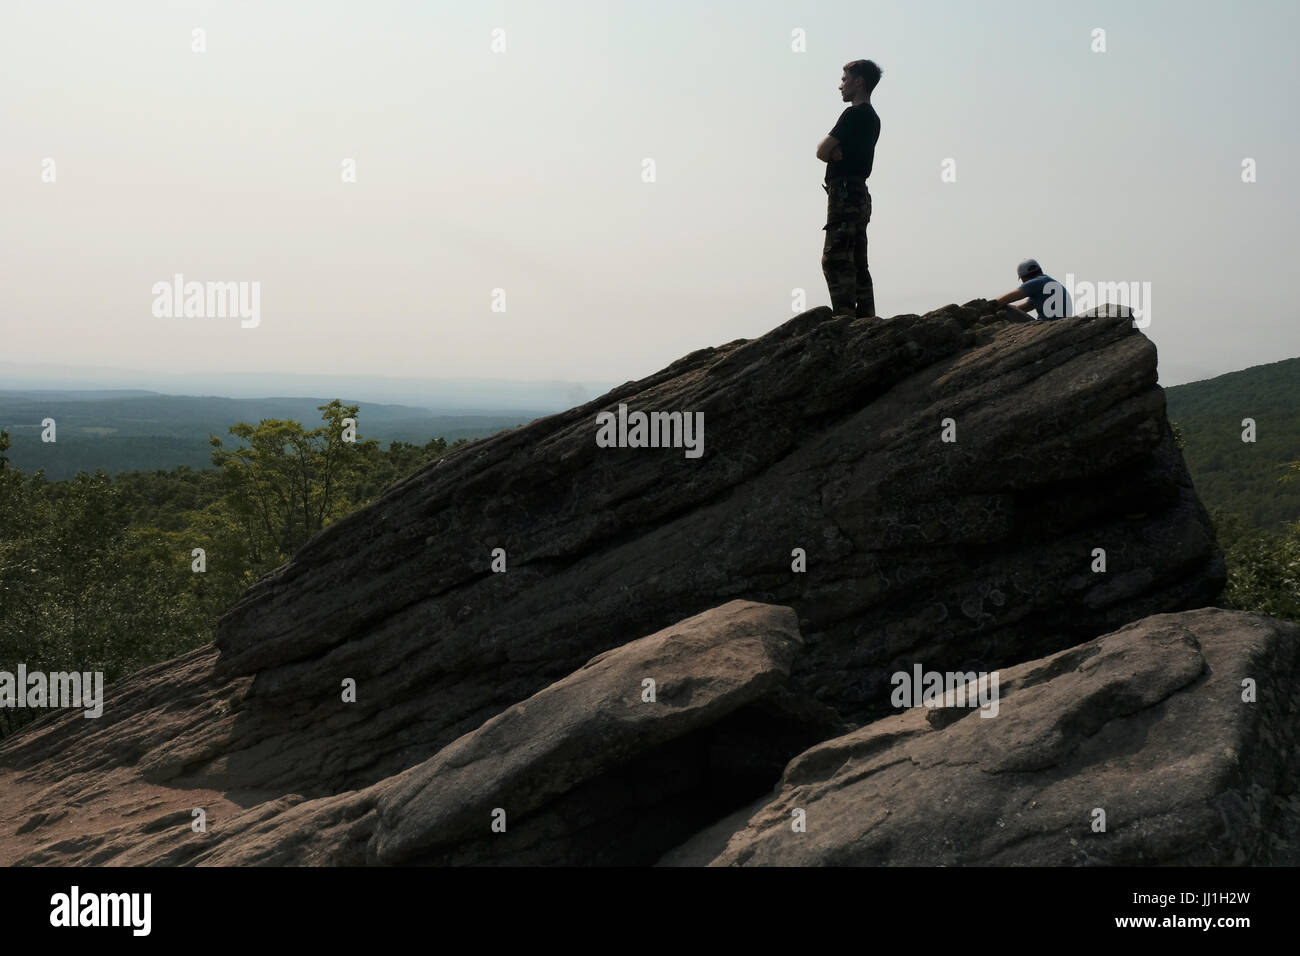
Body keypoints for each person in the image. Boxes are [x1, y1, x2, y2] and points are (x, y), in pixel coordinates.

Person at [817, 59, 882, 319]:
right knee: (857, 259)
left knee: (836, 258)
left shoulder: (854, 114)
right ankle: (867, 319)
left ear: (859, 81)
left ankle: (844, 318)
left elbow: (821, 150)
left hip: (844, 193)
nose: (840, 85)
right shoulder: (873, 117)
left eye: (845, 79)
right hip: (860, 194)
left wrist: (831, 152)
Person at [994, 259, 1072, 320]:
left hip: (1047, 324)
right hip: (1061, 322)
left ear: (1023, 277)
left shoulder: (1035, 283)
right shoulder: (1047, 282)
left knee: (1005, 308)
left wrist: (986, 308)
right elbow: (1023, 308)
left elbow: (1004, 299)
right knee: (1005, 311)